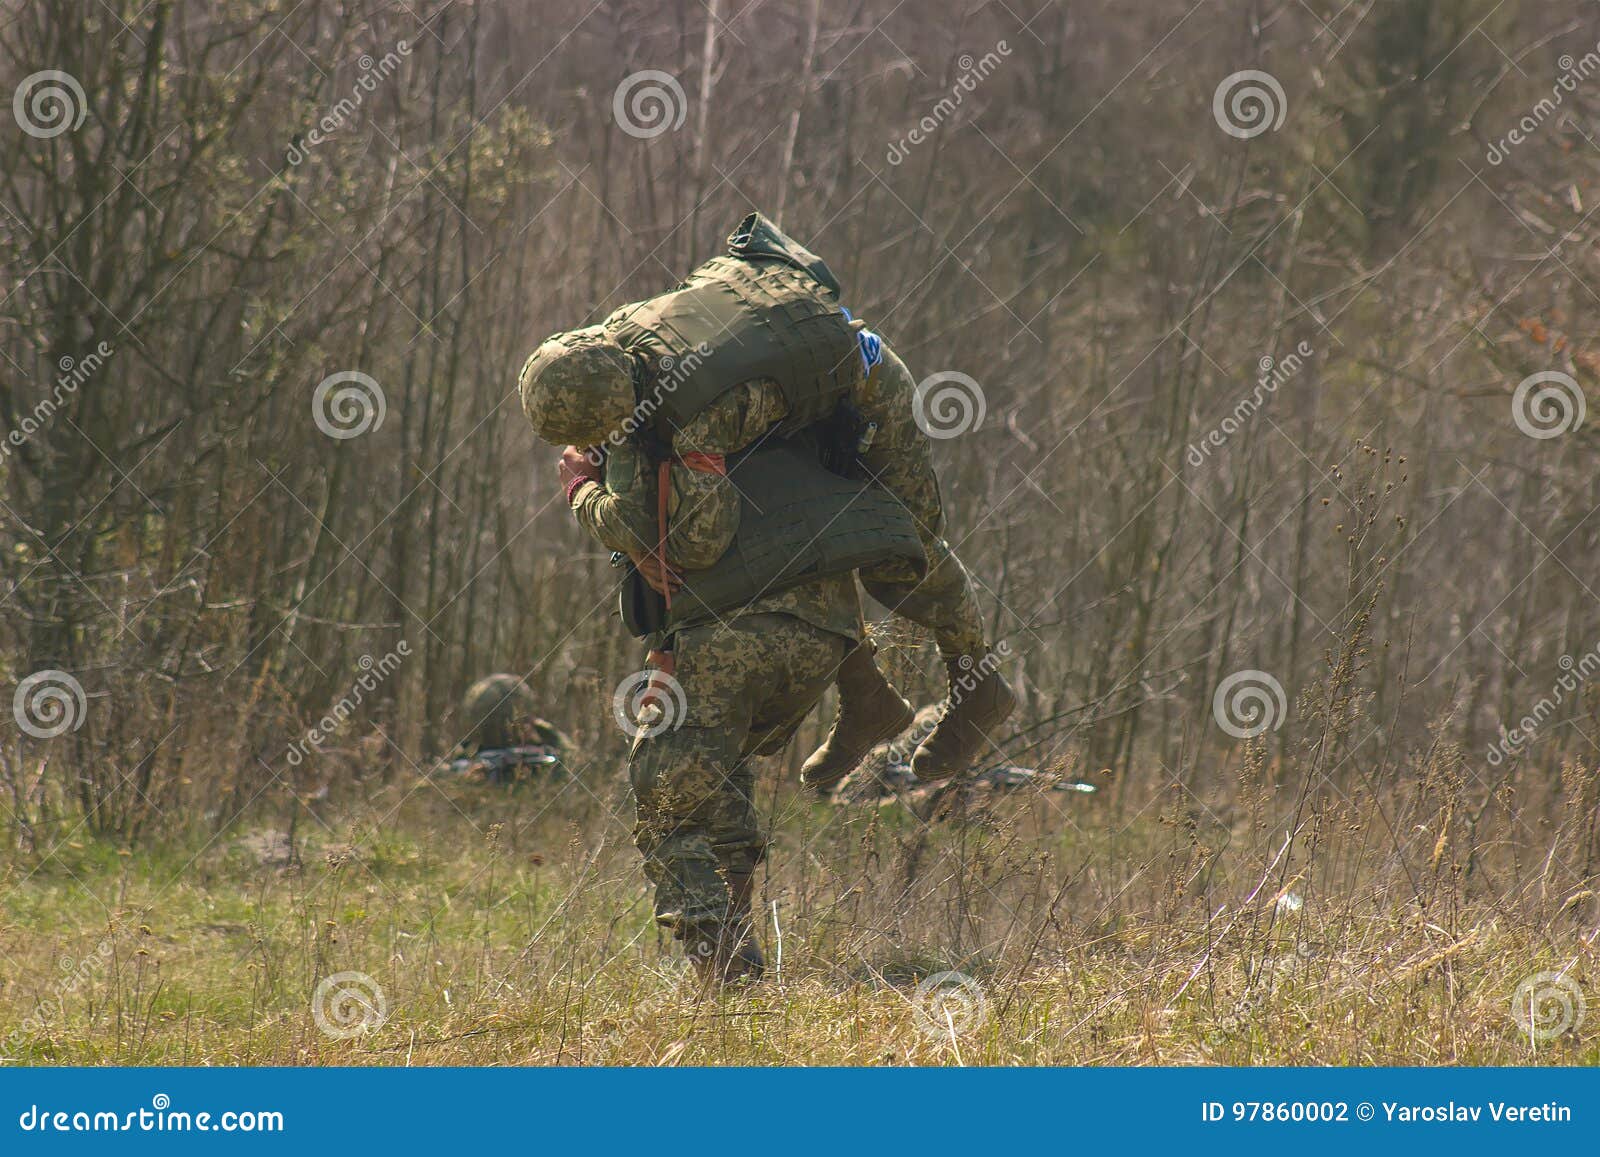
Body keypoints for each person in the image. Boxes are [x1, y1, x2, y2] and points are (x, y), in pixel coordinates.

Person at [527, 213, 1014, 790]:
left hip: (866, 386)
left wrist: (583, 493)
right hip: (787, 401)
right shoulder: (619, 339)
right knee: (802, 532)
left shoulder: (693, 415)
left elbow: (698, 542)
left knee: (902, 550)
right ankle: (869, 698)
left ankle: (975, 682)